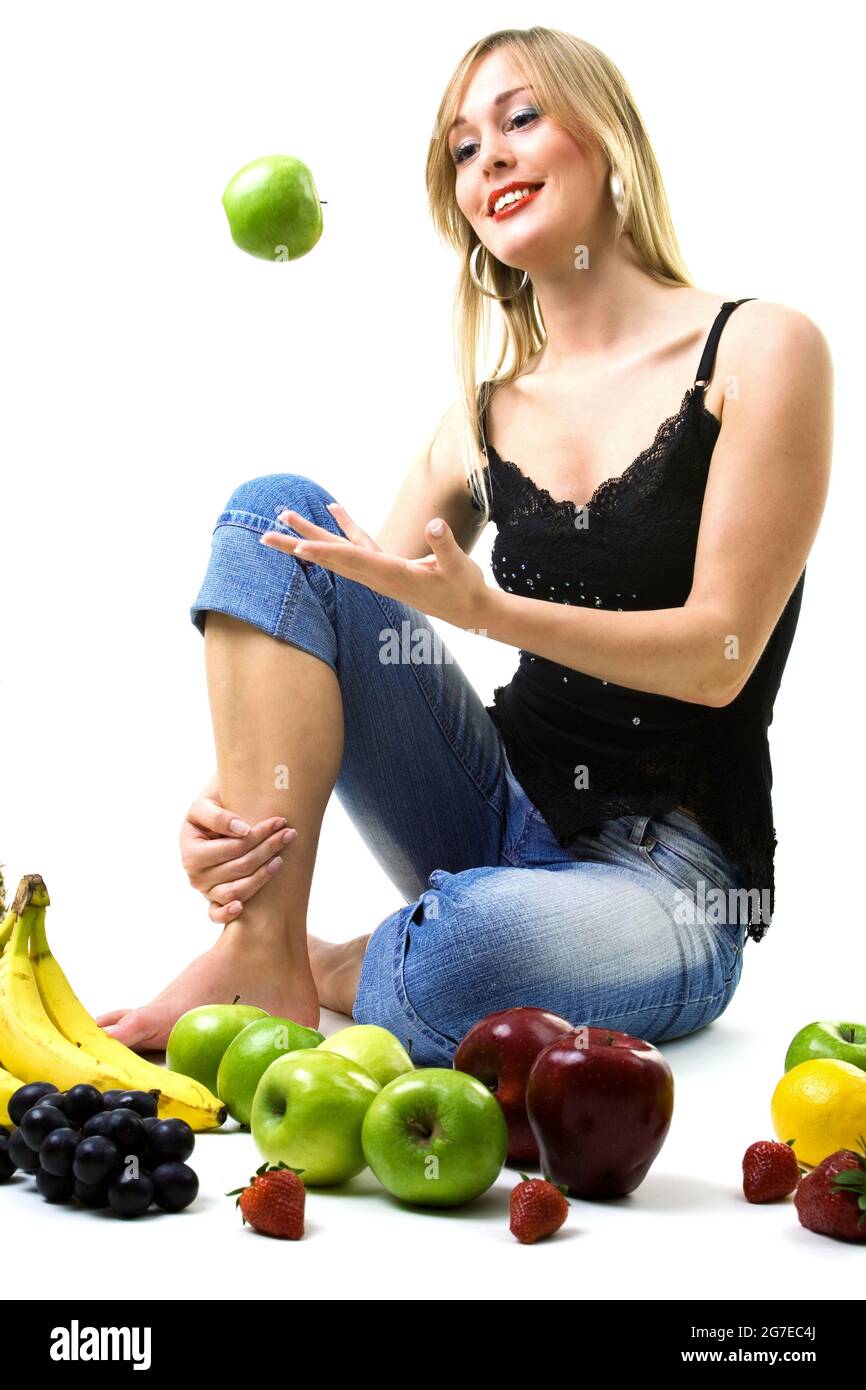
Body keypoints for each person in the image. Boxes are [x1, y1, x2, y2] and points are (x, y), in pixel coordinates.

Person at [97, 28, 832, 1065]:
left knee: (455, 968)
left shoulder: (760, 349)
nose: (486, 155)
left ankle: (340, 961)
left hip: (666, 885)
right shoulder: (474, 420)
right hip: (496, 807)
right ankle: (261, 946)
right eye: (460, 147)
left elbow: (719, 658)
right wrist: (234, 814)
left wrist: (485, 609)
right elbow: (333, 629)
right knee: (274, 516)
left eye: (519, 118)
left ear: (606, 138)